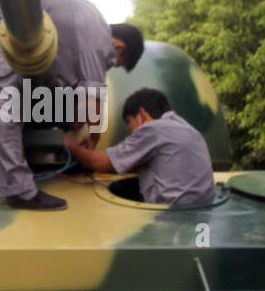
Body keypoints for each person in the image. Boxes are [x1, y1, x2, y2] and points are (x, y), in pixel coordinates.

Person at [0, 0, 144, 210]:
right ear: (118, 45)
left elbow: (74, 90)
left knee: (2, 95)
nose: (108, 66)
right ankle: (19, 190)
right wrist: (92, 139)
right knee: (8, 98)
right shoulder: (98, 39)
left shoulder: (85, 29)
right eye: (115, 62)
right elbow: (93, 101)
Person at [62, 88, 217, 207]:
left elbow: (100, 163)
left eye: (129, 122)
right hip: (199, 212)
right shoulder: (186, 128)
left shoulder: (154, 129)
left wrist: (69, 144)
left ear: (142, 113)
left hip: (172, 218)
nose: (129, 130)